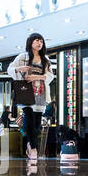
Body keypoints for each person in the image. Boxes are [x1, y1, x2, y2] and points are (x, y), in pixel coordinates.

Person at [10, 34, 55, 162]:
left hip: (40, 93)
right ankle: (34, 148)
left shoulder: (45, 59)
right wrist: (20, 68)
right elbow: (10, 69)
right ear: (30, 42)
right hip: (26, 92)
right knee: (29, 119)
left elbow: (50, 76)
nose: (39, 43)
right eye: (37, 40)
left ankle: (30, 144)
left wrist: (36, 77)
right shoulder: (22, 57)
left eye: (41, 41)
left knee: (36, 124)